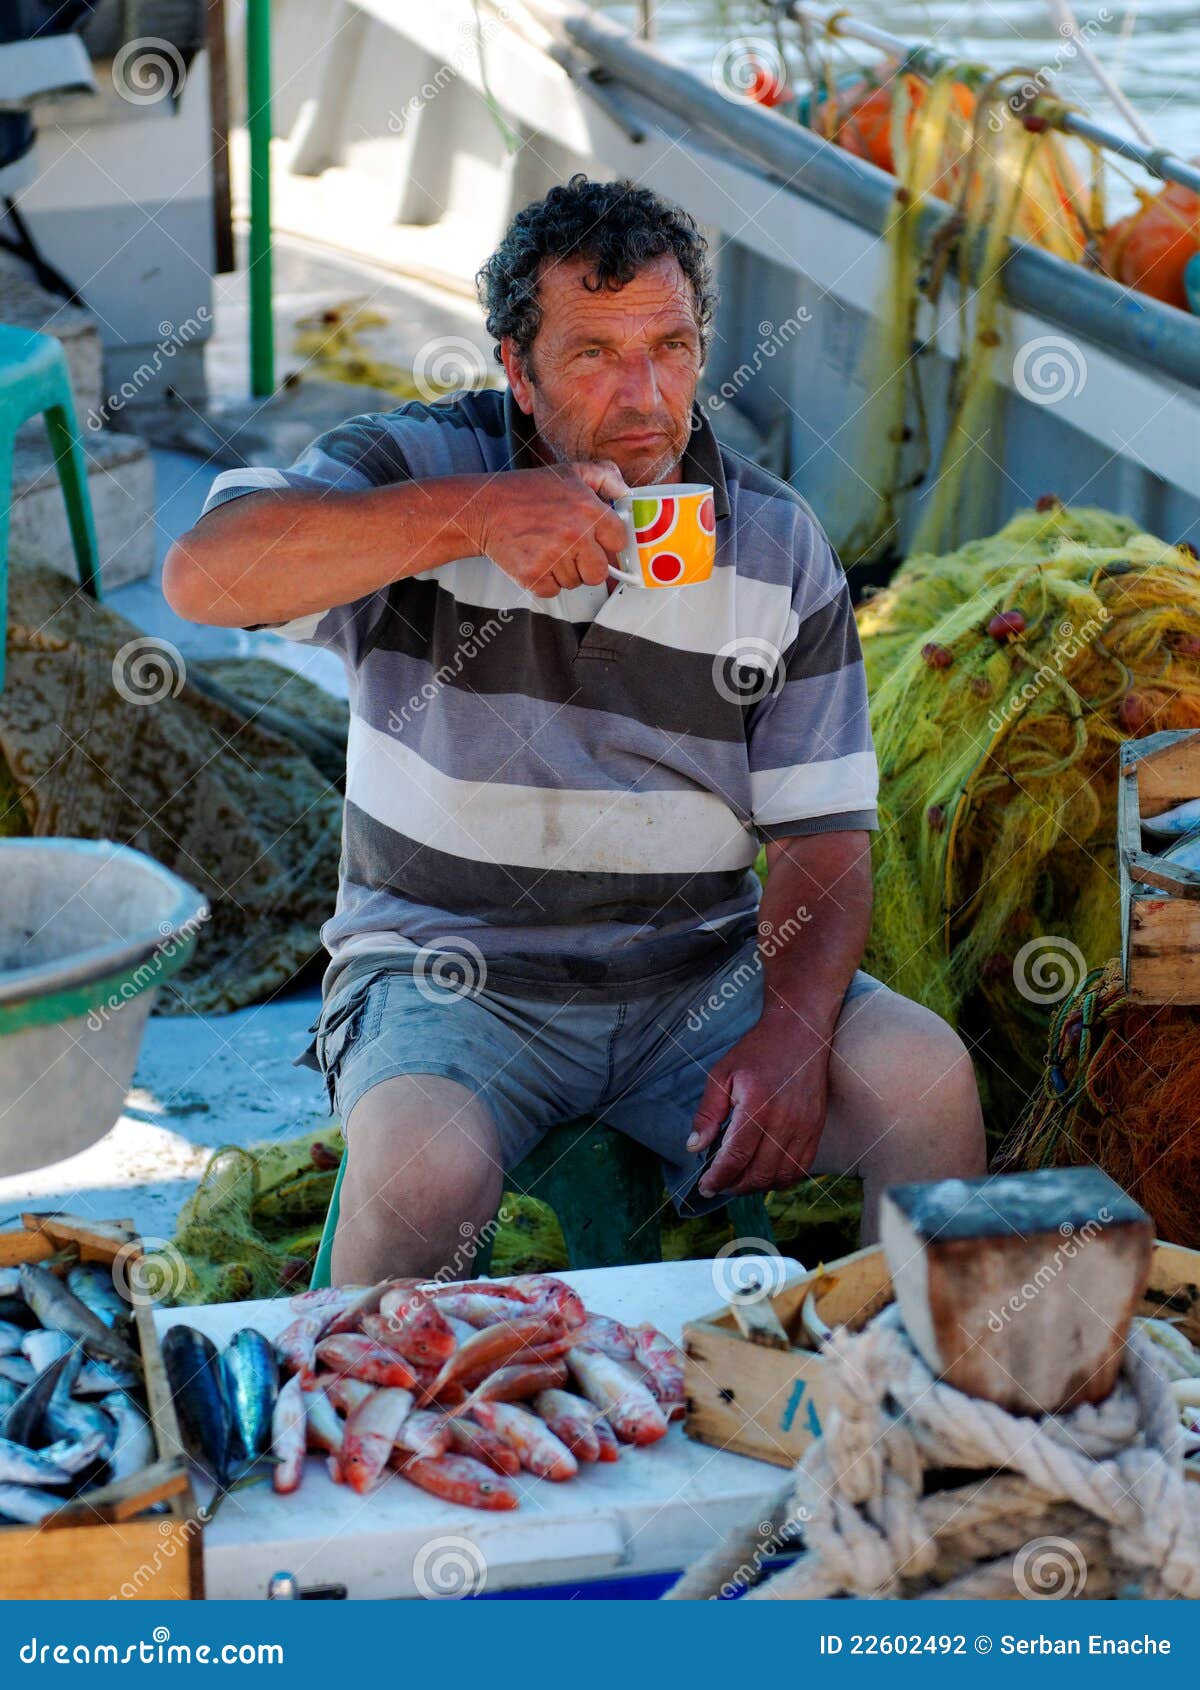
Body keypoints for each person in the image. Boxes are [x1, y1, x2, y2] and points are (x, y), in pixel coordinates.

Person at [165, 175, 985, 1282]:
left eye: (674, 347)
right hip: (443, 971)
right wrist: (477, 516)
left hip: (696, 972)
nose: (645, 396)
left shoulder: (776, 542)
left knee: (927, 1082)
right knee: (421, 1174)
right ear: (516, 365)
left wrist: (791, 1034)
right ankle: (365, 1432)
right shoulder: (422, 466)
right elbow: (203, 576)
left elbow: (823, 843)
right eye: (595, 354)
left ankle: (914, 1413)